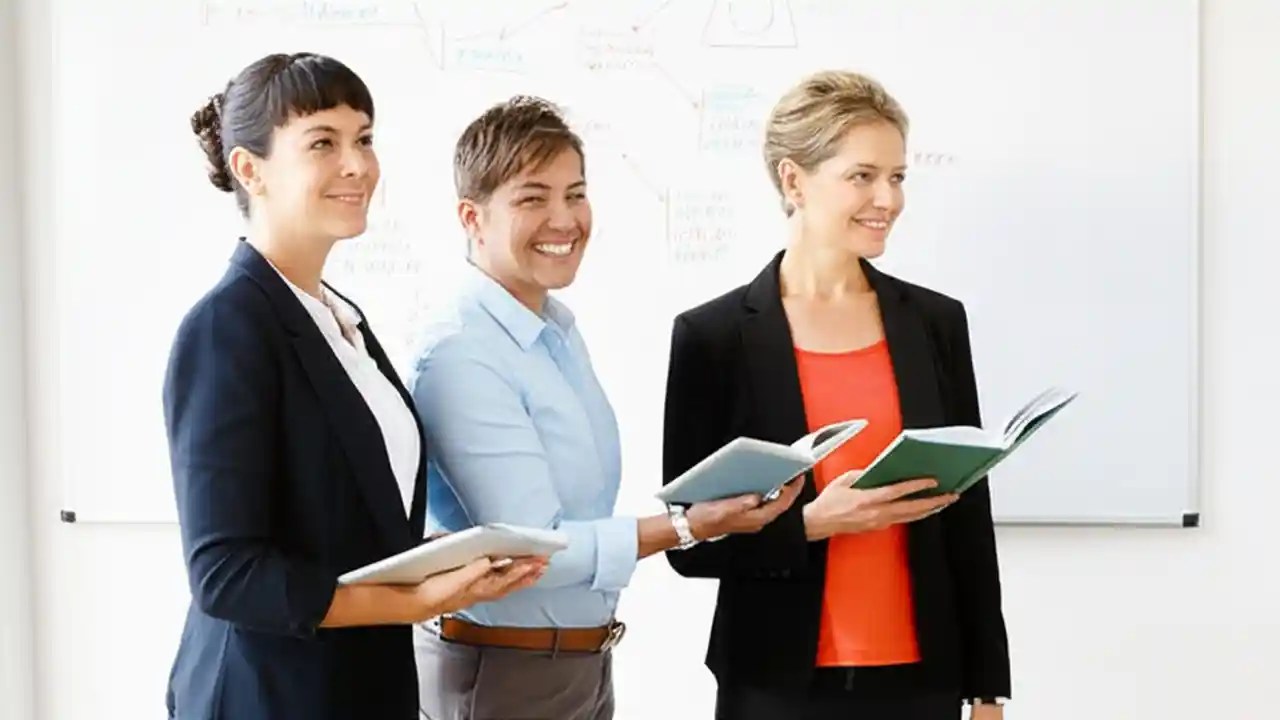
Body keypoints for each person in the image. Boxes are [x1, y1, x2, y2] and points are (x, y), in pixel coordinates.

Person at [162, 52, 546, 720]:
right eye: (323, 144)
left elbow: (346, 526)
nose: (357, 165)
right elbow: (227, 576)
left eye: (363, 139)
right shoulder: (228, 328)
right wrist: (418, 600)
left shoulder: (340, 321)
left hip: (360, 687)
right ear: (249, 170)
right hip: (268, 696)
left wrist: (450, 562)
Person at [407, 95, 801, 720]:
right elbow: (532, 549)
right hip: (503, 673)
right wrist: (689, 526)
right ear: (472, 217)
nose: (564, 219)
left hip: (578, 664)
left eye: (575, 193)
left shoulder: (554, 328)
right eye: (533, 198)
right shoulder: (462, 353)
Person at [661, 70, 1012, 720]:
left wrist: (987, 689)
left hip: (923, 681)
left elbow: (969, 518)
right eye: (863, 176)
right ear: (794, 180)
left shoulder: (934, 323)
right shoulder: (712, 338)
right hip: (775, 686)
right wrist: (812, 523)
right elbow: (688, 542)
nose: (889, 198)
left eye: (898, 176)